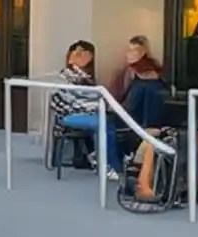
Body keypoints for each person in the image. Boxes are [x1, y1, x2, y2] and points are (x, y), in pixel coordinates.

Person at [53, 41, 121, 179]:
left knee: (109, 123)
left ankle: (107, 162)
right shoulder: (66, 75)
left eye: (86, 54)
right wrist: (93, 106)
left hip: (86, 113)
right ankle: (107, 165)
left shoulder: (86, 77)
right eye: (78, 53)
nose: (82, 57)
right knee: (103, 123)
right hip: (70, 115)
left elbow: (93, 99)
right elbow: (66, 101)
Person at [111, 35, 166, 127]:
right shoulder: (156, 69)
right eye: (129, 50)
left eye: (133, 51)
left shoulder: (133, 72)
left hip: (130, 119)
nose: (128, 54)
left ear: (142, 53)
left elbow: (124, 100)